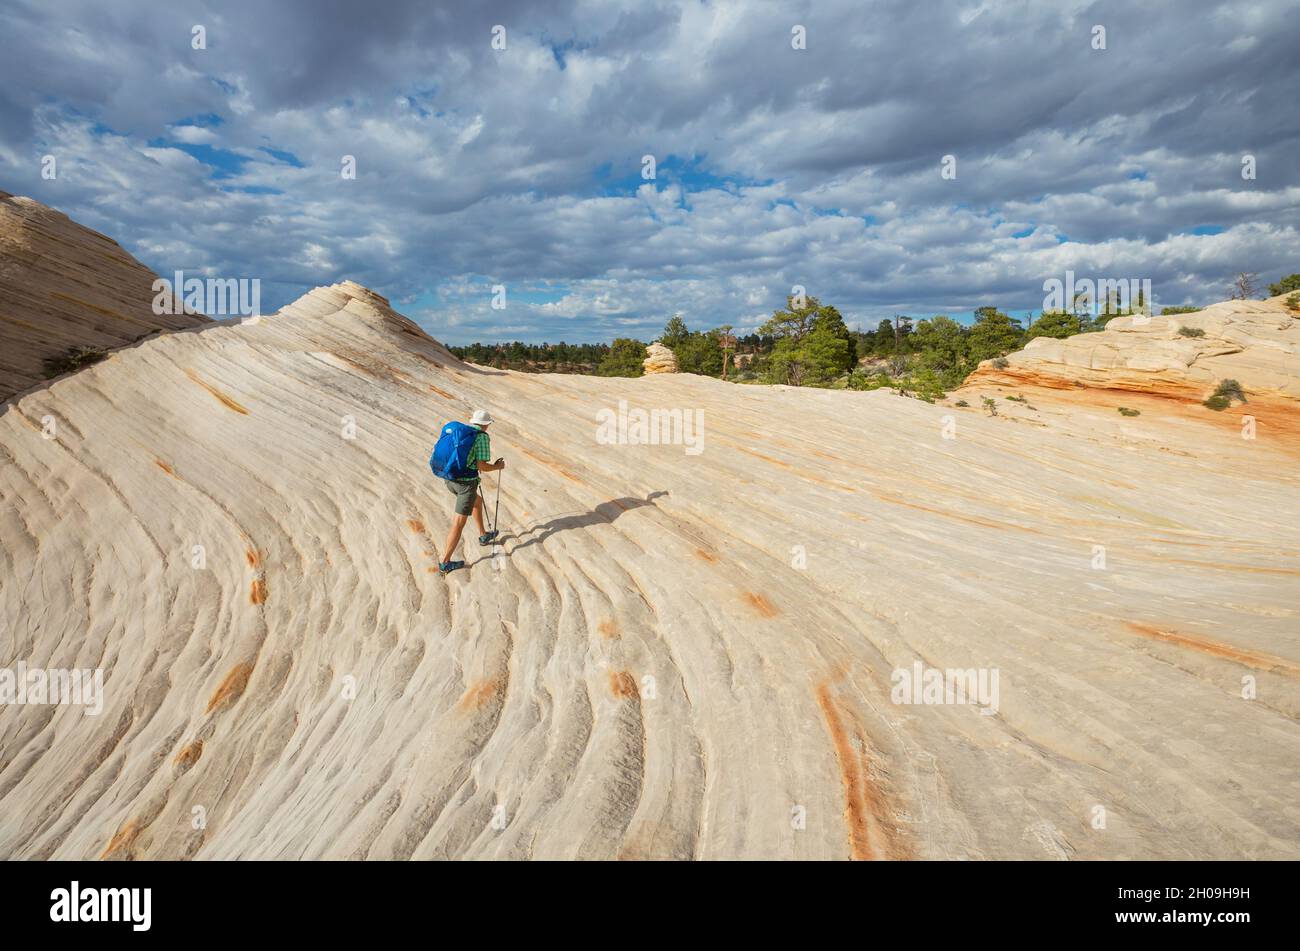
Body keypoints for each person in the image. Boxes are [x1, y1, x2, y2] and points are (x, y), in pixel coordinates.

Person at [437, 409, 505, 574]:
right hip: (465, 485)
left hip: (449, 479)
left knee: (478, 501)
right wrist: (497, 467)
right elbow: (482, 466)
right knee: (458, 524)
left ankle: (483, 535)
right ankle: (445, 562)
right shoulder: (481, 437)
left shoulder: (460, 432)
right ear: (486, 424)